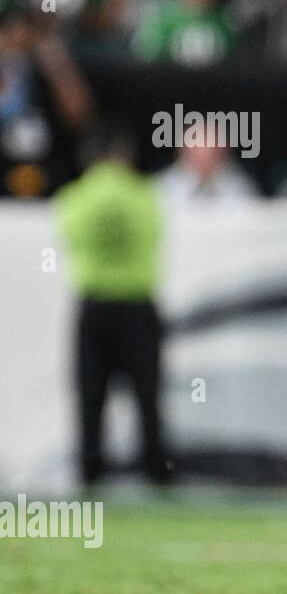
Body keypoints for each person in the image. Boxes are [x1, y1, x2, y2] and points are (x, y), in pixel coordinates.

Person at [54, 127, 169, 488]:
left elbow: (69, 238)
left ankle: (90, 474)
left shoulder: (76, 196)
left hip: (96, 305)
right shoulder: (144, 194)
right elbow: (155, 234)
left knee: (91, 398)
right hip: (137, 305)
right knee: (148, 398)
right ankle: (156, 474)